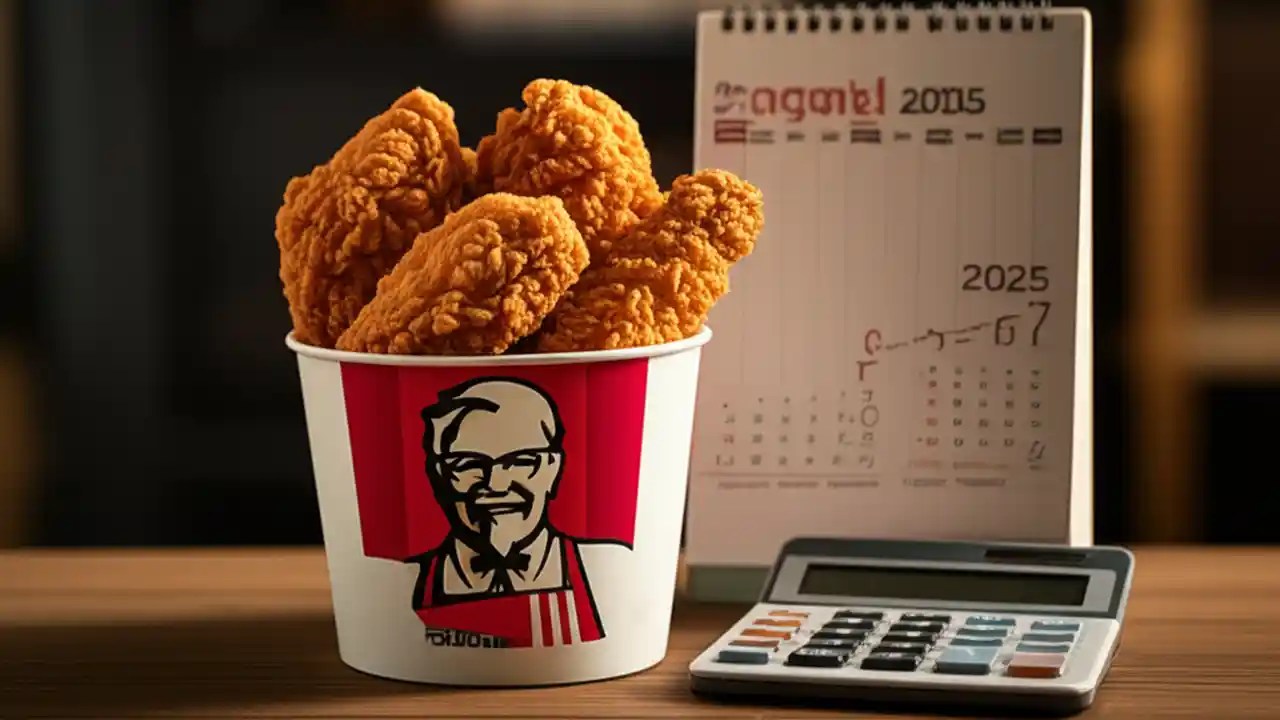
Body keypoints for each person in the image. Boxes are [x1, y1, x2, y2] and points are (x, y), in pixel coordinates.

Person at [407, 378, 607, 648]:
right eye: (469, 464)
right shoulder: (399, 582)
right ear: (441, 475)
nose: (496, 484)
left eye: (523, 461)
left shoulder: (606, 568)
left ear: (553, 469)